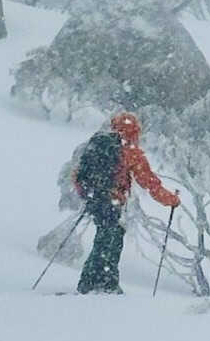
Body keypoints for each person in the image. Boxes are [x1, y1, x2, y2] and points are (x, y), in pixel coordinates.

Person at [74, 111, 180, 294]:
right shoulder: (131, 152)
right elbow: (149, 182)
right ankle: (104, 284)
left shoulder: (100, 144)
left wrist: (91, 195)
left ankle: (93, 281)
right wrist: (171, 199)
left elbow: (78, 174)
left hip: (96, 199)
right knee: (111, 241)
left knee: (104, 238)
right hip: (112, 201)